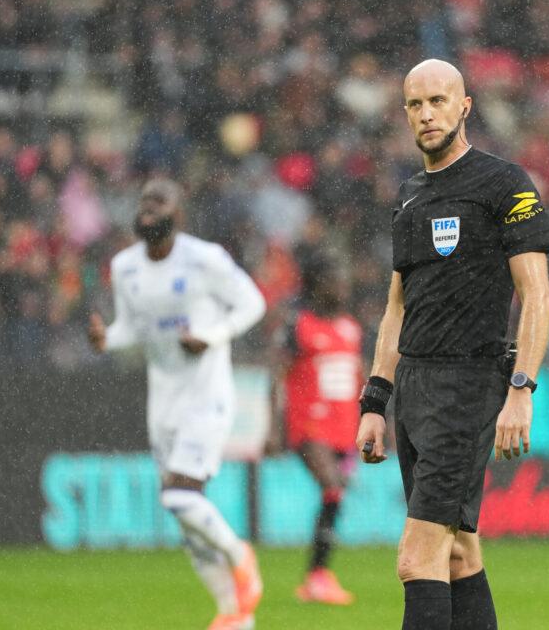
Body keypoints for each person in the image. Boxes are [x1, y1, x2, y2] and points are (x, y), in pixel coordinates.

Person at [355, 59, 549, 630]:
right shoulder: (409, 196)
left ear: (464, 105)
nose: (426, 114)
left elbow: (536, 295)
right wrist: (375, 402)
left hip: (467, 388)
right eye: (415, 104)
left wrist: (521, 389)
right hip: (414, 390)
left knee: (416, 558)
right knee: (459, 553)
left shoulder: (504, 184)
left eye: (438, 101)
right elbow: (397, 308)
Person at [87, 178, 266, 630]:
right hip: (162, 402)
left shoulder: (205, 259)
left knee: (178, 495)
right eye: (144, 200)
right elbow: (132, 328)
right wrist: (107, 338)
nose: (148, 206)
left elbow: (253, 303)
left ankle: (239, 554)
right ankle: (233, 614)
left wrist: (212, 336)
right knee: (188, 520)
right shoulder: (124, 266)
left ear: (177, 215)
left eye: (159, 201)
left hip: (206, 394)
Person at [267, 258, 363, 605]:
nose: (341, 288)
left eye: (344, 281)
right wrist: (273, 428)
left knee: (335, 497)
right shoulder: (299, 325)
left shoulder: (351, 328)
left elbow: (360, 375)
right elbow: (277, 376)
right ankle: (318, 576)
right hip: (309, 425)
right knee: (332, 486)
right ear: (318, 285)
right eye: (334, 281)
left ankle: (316, 577)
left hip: (345, 428)